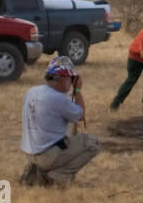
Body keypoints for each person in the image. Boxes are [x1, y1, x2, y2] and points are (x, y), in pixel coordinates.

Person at [21, 56, 100, 186]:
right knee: (91, 143)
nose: (71, 83)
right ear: (63, 79)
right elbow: (80, 115)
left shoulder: (32, 91)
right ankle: (59, 176)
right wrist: (78, 90)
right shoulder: (57, 98)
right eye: (70, 79)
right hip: (46, 156)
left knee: (62, 141)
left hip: (30, 153)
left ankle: (37, 172)